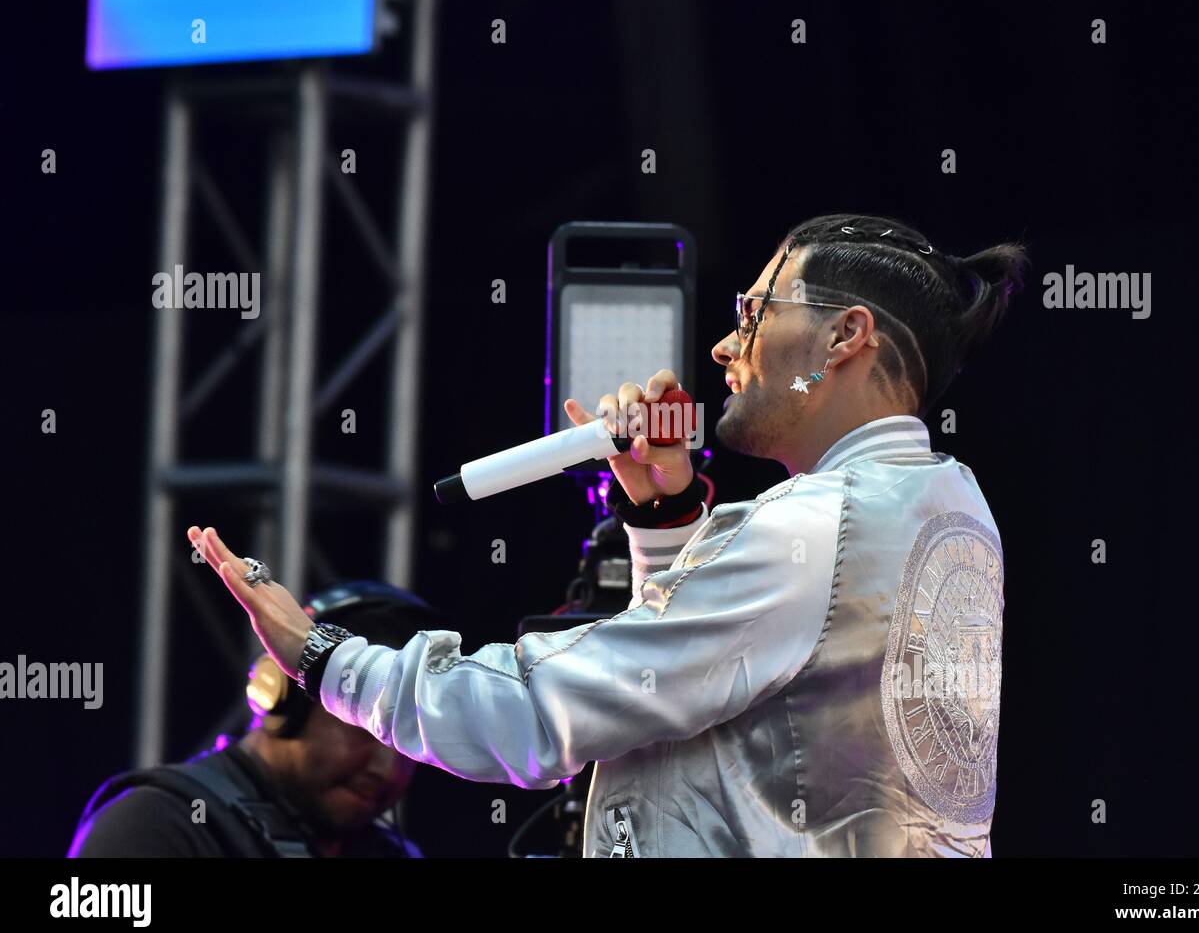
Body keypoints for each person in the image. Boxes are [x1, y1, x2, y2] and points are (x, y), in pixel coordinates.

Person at [189, 213, 1027, 857]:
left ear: (845, 336)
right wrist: (665, 520)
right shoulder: (953, 503)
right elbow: (727, 696)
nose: (725, 345)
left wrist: (322, 656)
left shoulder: (816, 526)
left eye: (753, 310)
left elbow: (533, 714)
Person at [69, 581, 435, 858]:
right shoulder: (157, 823)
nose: (386, 767)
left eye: (407, 736)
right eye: (366, 725)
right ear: (284, 695)